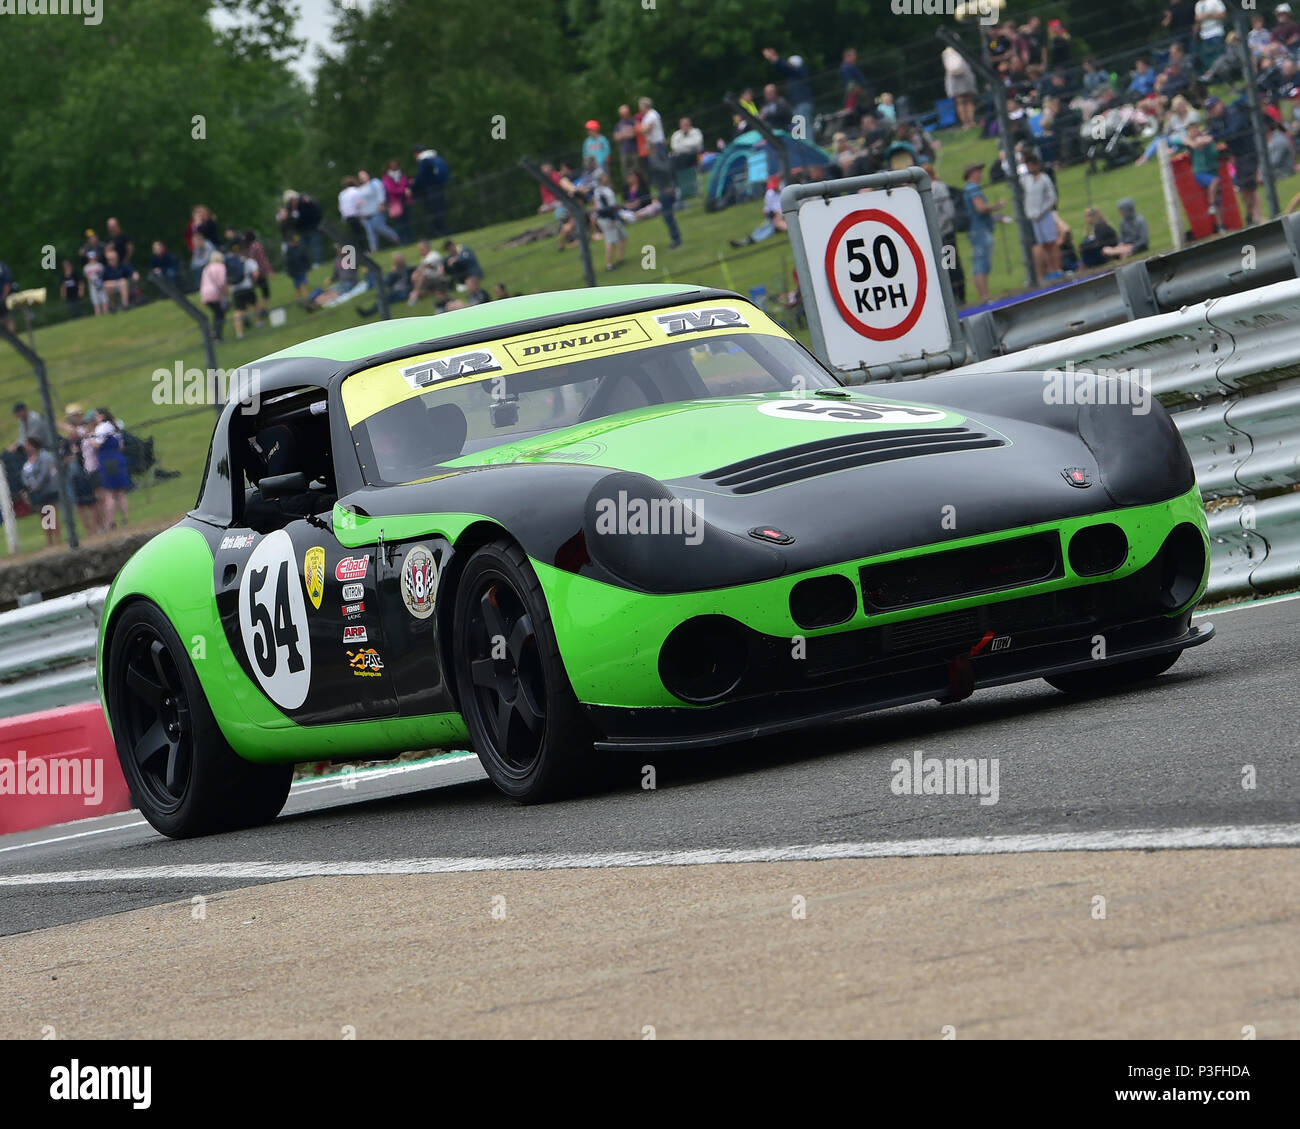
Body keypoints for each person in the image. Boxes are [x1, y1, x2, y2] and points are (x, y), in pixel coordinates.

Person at [1208, 96, 1261, 225]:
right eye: (1210, 109)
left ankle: (1255, 216)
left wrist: (1214, 137)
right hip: (1238, 157)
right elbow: (1212, 133)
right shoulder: (1217, 121)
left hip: (1248, 152)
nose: (1212, 111)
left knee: (1250, 187)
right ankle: (1251, 215)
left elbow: (1233, 131)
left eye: (1213, 107)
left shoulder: (1234, 113)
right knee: (1244, 189)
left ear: (1220, 104)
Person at [925, 163, 966, 303]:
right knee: (942, 266)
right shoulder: (925, 189)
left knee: (951, 263)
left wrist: (942, 224)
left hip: (945, 232)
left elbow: (948, 210)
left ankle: (959, 294)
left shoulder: (938, 187)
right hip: (934, 234)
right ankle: (950, 296)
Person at [963, 163, 1002, 304]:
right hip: (980, 230)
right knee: (981, 263)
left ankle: (984, 295)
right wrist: (996, 206)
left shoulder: (969, 188)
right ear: (973, 173)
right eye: (979, 171)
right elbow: (980, 208)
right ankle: (984, 296)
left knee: (981, 262)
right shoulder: (973, 188)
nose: (981, 174)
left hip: (978, 229)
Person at [1022, 153, 1061, 281]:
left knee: (1051, 242)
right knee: (1042, 244)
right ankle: (1049, 269)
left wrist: (1043, 211)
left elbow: (1052, 197)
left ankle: (1057, 268)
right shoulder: (1026, 180)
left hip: (1045, 215)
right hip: (1033, 217)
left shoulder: (1044, 179)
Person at [89, 408, 130, 529]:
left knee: (110, 493)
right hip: (118, 458)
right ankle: (125, 518)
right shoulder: (116, 425)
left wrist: (90, 439)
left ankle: (111, 521)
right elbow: (121, 446)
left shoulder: (102, 427)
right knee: (120, 492)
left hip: (107, 460)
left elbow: (98, 444)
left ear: (101, 416)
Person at [762, 48, 813, 135]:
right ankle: (800, 146)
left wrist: (776, 58)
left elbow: (785, 68)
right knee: (798, 129)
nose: (788, 65)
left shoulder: (800, 71)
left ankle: (808, 145)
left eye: (790, 64)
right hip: (796, 104)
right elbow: (783, 68)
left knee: (803, 127)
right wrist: (774, 60)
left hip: (801, 103)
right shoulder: (794, 75)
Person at [20, 438, 60, 545]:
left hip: (48, 490)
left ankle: (57, 540)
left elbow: (45, 472)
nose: (25, 447)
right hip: (37, 493)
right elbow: (24, 474)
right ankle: (49, 541)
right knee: (44, 516)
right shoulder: (28, 460)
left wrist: (36, 485)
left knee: (52, 514)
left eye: (27, 444)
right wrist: (29, 484)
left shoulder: (45, 456)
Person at [729, 174, 787, 247]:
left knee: (771, 226)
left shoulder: (786, 190)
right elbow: (767, 209)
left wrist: (779, 215)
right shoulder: (769, 193)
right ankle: (749, 239)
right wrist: (767, 212)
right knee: (766, 225)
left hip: (785, 215)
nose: (774, 188)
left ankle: (750, 240)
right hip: (775, 217)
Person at [592, 170, 626, 271]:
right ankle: (609, 264)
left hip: (613, 216)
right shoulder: (601, 191)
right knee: (610, 241)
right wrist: (613, 218)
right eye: (604, 175)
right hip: (608, 219)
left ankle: (620, 258)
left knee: (622, 236)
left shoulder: (603, 189)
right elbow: (606, 208)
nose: (606, 176)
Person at [357, 170, 400, 252]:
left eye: (364, 175)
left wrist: (382, 203)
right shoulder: (360, 189)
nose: (363, 178)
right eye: (361, 177)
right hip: (366, 214)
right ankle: (374, 250)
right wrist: (361, 215)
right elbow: (360, 203)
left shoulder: (374, 183)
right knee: (370, 233)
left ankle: (395, 238)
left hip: (376, 211)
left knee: (381, 227)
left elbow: (380, 193)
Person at [411, 148, 449, 239]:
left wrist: (412, 186)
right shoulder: (433, 157)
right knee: (440, 209)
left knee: (434, 211)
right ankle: (443, 231)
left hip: (431, 189)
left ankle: (440, 232)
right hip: (439, 186)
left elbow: (421, 177)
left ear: (416, 153)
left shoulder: (424, 161)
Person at [225, 241, 259, 340]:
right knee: (254, 304)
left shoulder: (229, 262)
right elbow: (255, 273)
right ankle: (257, 321)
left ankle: (239, 333)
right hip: (247, 287)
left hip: (235, 289)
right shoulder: (247, 261)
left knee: (238, 311)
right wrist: (253, 282)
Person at [942, 46, 978, 129]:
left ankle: (965, 123)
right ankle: (971, 121)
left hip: (953, 78)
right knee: (968, 100)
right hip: (965, 75)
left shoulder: (945, 53)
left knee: (960, 102)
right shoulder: (961, 49)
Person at [200, 250, 228, 341]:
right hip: (215, 293)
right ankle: (217, 335)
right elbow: (221, 282)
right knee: (220, 314)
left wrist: (203, 298)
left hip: (205, 293)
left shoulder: (206, 268)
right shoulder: (221, 266)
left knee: (216, 313)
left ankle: (213, 333)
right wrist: (225, 294)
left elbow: (203, 283)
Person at [100, 245, 137, 312]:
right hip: (112, 287)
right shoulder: (106, 269)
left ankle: (125, 305)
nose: (111, 261)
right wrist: (115, 283)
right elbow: (102, 282)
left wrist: (135, 274)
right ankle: (113, 306)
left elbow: (133, 272)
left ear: (117, 258)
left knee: (123, 282)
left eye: (113, 259)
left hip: (124, 285)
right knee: (107, 285)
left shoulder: (123, 265)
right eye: (109, 259)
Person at [613, 104, 640, 184]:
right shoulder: (619, 124)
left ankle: (640, 187)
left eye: (625, 113)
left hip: (635, 150)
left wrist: (623, 135)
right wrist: (627, 134)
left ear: (629, 113)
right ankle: (628, 188)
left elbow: (635, 133)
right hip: (624, 152)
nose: (624, 115)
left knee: (637, 170)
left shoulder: (634, 121)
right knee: (625, 172)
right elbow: (616, 138)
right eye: (622, 114)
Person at [83, 249, 108, 316]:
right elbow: (87, 277)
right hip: (92, 286)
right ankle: (98, 314)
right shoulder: (86, 267)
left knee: (104, 299)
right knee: (95, 302)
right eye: (91, 258)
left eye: (93, 257)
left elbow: (102, 275)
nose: (92, 259)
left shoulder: (100, 265)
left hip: (101, 285)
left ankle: (106, 313)